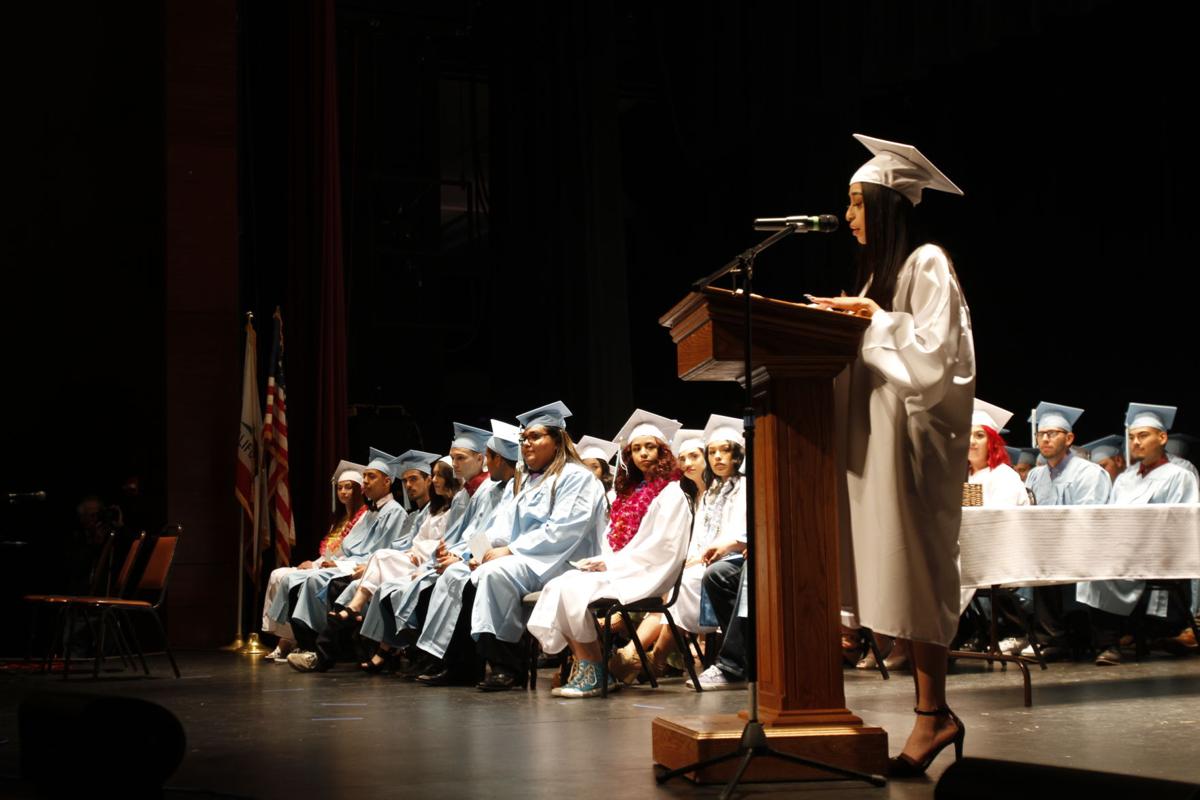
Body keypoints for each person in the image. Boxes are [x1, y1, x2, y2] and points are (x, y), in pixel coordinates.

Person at [810, 134, 973, 777]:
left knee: (918, 572)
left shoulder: (926, 261)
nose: (848, 217)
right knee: (895, 572)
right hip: (879, 445)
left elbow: (940, 357)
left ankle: (933, 714)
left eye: (856, 203)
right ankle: (931, 711)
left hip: (913, 448)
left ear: (884, 203)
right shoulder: (883, 274)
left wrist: (872, 318)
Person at [528, 410, 690, 698]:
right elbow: (611, 538)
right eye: (636, 448)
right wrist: (604, 561)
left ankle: (592, 669)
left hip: (649, 573)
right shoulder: (625, 495)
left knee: (572, 589)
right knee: (558, 585)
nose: (643, 454)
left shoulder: (672, 494)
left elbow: (664, 546)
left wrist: (612, 563)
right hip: (621, 568)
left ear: (663, 451)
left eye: (650, 447)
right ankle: (593, 665)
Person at [469, 401, 608, 691]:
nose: (526, 444)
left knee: (497, 574)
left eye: (535, 437)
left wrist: (510, 550)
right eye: (523, 439)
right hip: (529, 560)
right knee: (479, 572)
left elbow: (564, 530)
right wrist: (484, 553)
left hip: (564, 560)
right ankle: (493, 662)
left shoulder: (577, 478)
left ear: (557, 441)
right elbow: (503, 528)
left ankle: (508, 666)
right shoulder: (529, 482)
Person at [1079, 403, 1200, 665]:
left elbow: (1181, 525)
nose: (1136, 442)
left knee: (1104, 571)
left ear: (1163, 437)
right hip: (1126, 551)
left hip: (1159, 553)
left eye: (1143, 436)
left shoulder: (1180, 476)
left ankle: (1110, 642)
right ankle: (1107, 641)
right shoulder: (1126, 478)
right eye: (1132, 437)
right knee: (1092, 565)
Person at [408, 419, 522, 685]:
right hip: (480, 555)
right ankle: (451, 662)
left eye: (489, 459)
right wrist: (456, 553)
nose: (486, 466)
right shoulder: (489, 489)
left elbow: (502, 533)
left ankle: (469, 664)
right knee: (444, 578)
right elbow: (471, 531)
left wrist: (463, 556)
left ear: (497, 459)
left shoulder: (517, 487)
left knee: (461, 580)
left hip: (503, 555)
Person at [1016, 402, 1110, 659]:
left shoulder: (1090, 473)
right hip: (1049, 550)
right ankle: (1049, 638)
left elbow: (1092, 518)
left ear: (1069, 438)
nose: (1045, 439)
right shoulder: (1035, 475)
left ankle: (1093, 640)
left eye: (1052, 433)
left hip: (1085, 548)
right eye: (1041, 434)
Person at [261, 460, 367, 661]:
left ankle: (290, 641)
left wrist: (318, 565)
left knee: (287, 578)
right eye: (340, 488)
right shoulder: (339, 520)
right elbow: (328, 552)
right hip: (325, 565)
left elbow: (351, 553)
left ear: (360, 490)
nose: (343, 492)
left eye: (349, 488)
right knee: (278, 573)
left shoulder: (364, 518)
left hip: (342, 568)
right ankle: (286, 637)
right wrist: (315, 562)